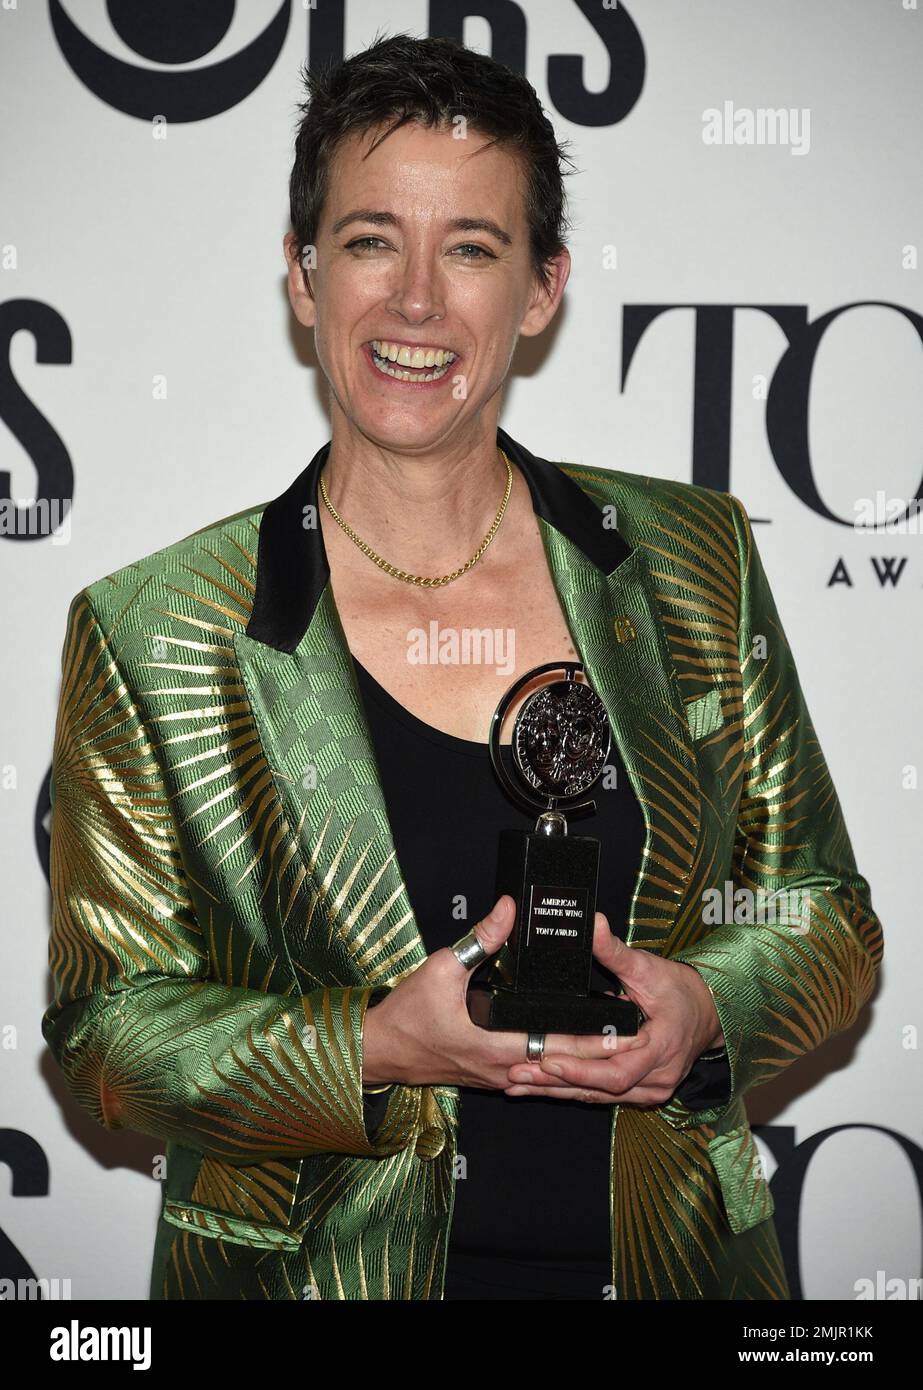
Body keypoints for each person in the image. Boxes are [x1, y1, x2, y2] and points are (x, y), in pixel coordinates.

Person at [43, 33, 883, 1301]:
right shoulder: (156, 627)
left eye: (473, 249)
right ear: (303, 274)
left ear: (541, 289)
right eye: (372, 239)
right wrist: (369, 1045)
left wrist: (700, 1014)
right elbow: (107, 1034)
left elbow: (820, 905)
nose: (417, 302)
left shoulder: (690, 558)